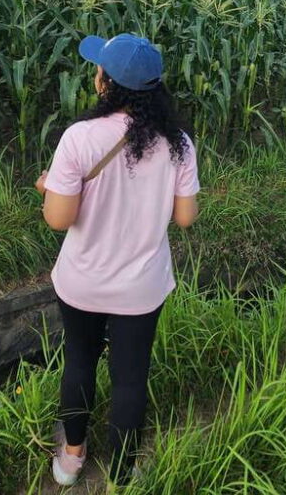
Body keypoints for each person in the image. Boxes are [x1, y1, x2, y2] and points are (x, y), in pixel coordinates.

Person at [35, 33, 200, 487]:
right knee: (130, 377)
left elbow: (58, 219)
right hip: (141, 286)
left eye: (98, 69)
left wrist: (50, 188)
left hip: (83, 281)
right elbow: (185, 217)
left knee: (80, 362)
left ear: (104, 82)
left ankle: (70, 460)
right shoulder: (179, 144)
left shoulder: (80, 138)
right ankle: (123, 470)